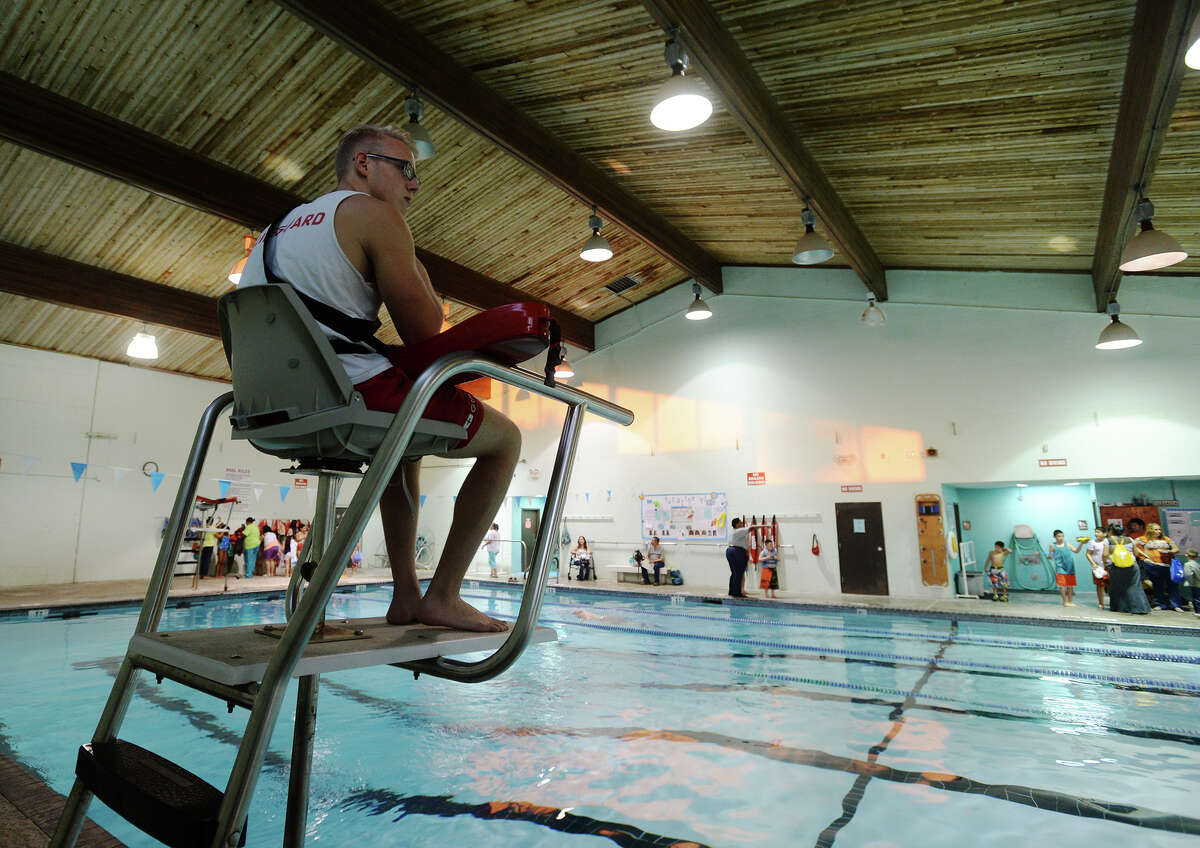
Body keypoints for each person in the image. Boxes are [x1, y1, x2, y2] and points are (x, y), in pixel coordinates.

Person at [237, 124, 518, 632]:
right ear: (363, 164)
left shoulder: (275, 230)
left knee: (402, 445)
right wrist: (418, 269)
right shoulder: (375, 215)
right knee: (507, 439)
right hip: (349, 393)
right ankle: (444, 595)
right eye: (405, 167)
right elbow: (423, 329)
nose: (414, 184)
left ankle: (407, 595)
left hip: (263, 408)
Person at [1136, 523, 1182, 611]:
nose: (1159, 531)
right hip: (1152, 565)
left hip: (1167, 565)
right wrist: (1144, 557)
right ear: (1150, 530)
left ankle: (1176, 605)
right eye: (1156, 529)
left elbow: (1176, 549)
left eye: (1159, 529)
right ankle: (1161, 604)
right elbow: (1133, 545)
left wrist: (1169, 552)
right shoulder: (1143, 539)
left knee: (1172, 585)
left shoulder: (1166, 539)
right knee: (1157, 586)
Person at [1104, 524, 1149, 614]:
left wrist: (1105, 563)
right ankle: (1140, 608)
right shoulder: (1130, 539)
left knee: (1118, 587)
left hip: (1115, 566)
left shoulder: (1108, 540)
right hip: (1132, 565)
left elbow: (1105, 554)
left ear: (1110, 532)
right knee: (1134, 586)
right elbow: (1136, 553)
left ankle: (1121, 607)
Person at [1048, 530, 1083, 607]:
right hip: (1060, 568)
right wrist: (1050, 556)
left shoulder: (1067, 543)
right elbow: (1051, 555)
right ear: (1054, 537)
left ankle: (1070, 602)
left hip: (1070, 567)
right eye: (1059, 536)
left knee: (1070, 586)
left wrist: (1081, 544)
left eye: (1062, 536)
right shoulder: (1052, 545)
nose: (1061, 538)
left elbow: (1076, 551)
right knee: (1062, 585)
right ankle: (1065, 602)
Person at [1082, 528, 1109, 610]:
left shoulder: (1108, 541)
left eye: (1098, 532)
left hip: (1108, 566)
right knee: (1100, 585)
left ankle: (1113, 602)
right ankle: (1101, 603)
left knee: (1110, 584)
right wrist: (1093, 563)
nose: (1096, 534)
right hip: (1098, 567)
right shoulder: (1092, 542)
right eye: (1095, 532)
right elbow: (1088, 554)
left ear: (1104, 534)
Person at [726, 518, 750, 598]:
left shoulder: (733, 532)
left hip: (730, 550)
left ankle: (732, 591)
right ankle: (737, 593)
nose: (742, 523)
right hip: (737, 552)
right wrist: (764, 526)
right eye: (740, 522)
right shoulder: (740, 531)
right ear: (737, 524)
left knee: (734, 573)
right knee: (739, 573)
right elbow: (751, 528)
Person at [1181, 548, 1200, 616]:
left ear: (1187, 555)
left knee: (1196, 598)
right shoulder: (1197, 564)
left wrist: (1189, 582)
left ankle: (1198, 611)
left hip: (1194, 584)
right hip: (1198, 583)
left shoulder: (1188, 564)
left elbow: (1188, 574)